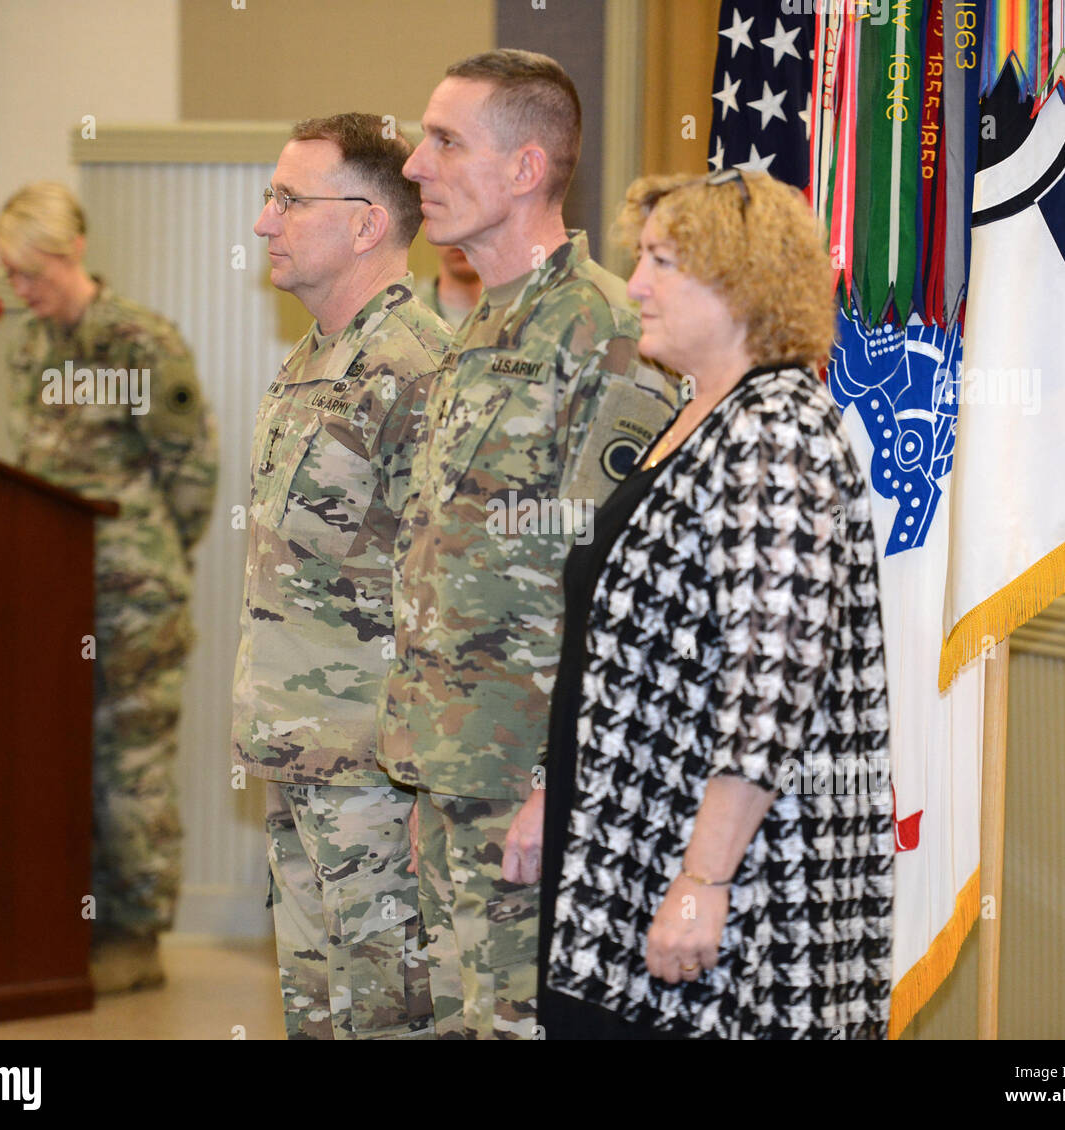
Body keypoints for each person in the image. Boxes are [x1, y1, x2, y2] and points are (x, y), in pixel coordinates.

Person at [538, 169, 894, 1039]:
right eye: (641, 258)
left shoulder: (777, 429)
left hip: (738, 901)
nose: (636, 286)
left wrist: (702, 883)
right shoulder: (697, 412)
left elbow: (769, 688)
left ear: (743, 281)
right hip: (633, 858)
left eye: (664, 261)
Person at [379, 49, 678, 1040]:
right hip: (460, 769)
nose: (416, 166)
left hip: (532, 792)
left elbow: (616, 593)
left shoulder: (601, 329)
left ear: (524, 168)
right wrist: (432, 767)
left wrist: (556, 788)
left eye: (444, 140)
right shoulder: (479, 324)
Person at [232, 113, 452, 1039]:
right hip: (303, 761)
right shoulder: (317, 355)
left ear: (366, 223)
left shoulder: (416, 367)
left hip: (376, 780)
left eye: (288, 199)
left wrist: (425, 786)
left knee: (387, 1023)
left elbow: (444, 593)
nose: (263, 221)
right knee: (320, 1021)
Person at [0, 181, 218, 993]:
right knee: (60, 761)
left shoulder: (137, 341)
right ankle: (68, 921)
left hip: (132, 597)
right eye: (12, 275)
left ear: (73, 252)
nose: (22, 289)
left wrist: (158, 560)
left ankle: (135, 935)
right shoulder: (27, 345)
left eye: (33, 272)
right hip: (48, 595)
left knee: (132, 769)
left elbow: (191, 467)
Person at [413, 242, 482, 328]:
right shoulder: (405, 314)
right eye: (450, 228)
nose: (460, 236)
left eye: (473, 228)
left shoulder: (503, 316)